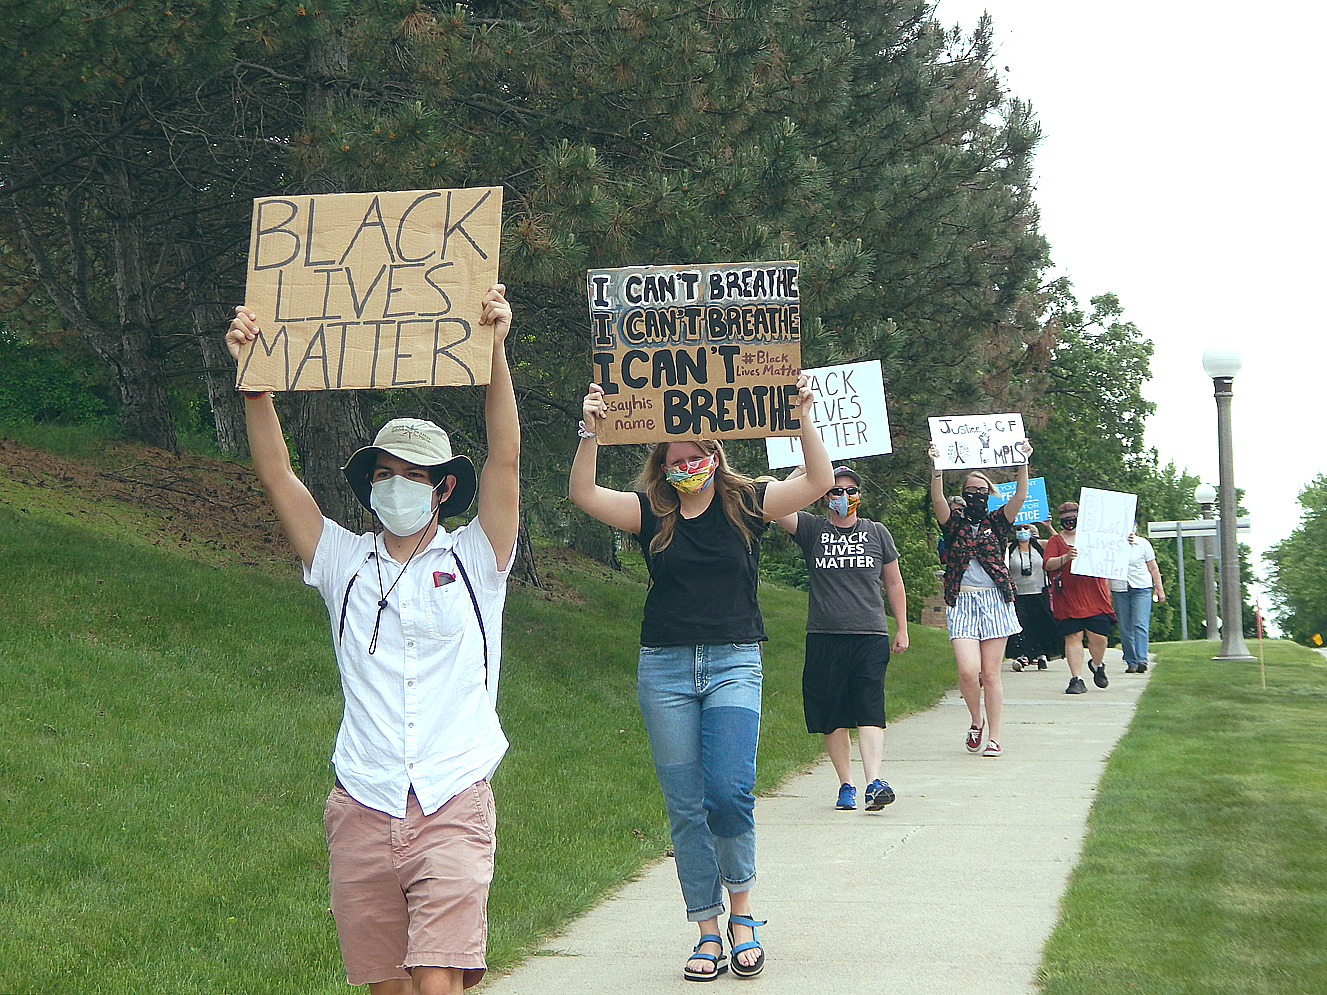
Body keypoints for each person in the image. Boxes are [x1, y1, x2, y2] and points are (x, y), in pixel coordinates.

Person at [225, 285, 519, 995]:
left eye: (413, 475)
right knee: (387, 985)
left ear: (442, 488)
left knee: (437, 978)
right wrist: (254, 384)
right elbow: (277, 474)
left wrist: (498, 349)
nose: (396, 487)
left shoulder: (475, 558)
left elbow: (506, 461)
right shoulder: (340, 560)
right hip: (363, 796)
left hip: (453, 791)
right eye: (384, 474)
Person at [569, 379, 833, 982]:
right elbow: (582, 492)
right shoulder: (649, 514)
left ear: (714, 453)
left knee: (729, 791)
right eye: (675, 458)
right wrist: (591, 430)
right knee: (686, 805)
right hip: (664, 667)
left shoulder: (747, 502)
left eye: (696, 454)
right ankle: (706, 929)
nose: (688, 464)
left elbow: (816, 484)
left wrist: (802, 419)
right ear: (661, 468)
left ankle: (744, 913)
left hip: (734, 660)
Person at [773, 465, 909, 813]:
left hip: (870, 634)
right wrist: (801, 471)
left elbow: (893, 581)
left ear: (859, 496)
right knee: (832, 715)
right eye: (836, 490)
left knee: (869, 707)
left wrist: (902, 627)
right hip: (824, 635)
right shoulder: (813, 529)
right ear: (824, 497)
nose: (843, 497)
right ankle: (845, 785)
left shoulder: (877, 533)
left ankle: (873, 782)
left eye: (850, 490)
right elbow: (772, 503)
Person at [929, 440, 1033, 759]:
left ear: (988, 495)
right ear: (963, 494)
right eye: (970, 490)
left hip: (994, 601)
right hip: (961, 601)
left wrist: (1023, 462)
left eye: (981, 491)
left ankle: (995, 736)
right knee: (967, 670)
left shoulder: (998, 522)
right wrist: (936, 468)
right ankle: (976, 720)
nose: (975, 495)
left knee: (990, 673)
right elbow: (936, 498)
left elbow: (1020, 496)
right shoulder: (953, 524)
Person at [1043, 501, 1115, 694]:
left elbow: (1115, 549)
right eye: (1065, 519)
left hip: (1095, 595)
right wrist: (1065, 558)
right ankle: (1076, 678)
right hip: (1068, 596)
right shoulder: (1055, 541)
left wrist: (1128, 540)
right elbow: (1048, 564)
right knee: (1073, 636)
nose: (1069, 522)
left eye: (1073, 518)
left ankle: (1097, 664)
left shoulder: (1095, 538)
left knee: (1098, 637)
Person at [1111, 522, 1165, 673]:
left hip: (1141, 587)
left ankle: (1142, 659)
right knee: (1125, 627)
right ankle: (1131, 660)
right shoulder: (1112, 544)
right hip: (1120, 588)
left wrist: (1159, 588)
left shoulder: (1142, 544)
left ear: (1136, 526)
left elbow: (1153, 567)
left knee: (1140, 624)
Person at [1005, 522, 1057, 671]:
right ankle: (1022, 655)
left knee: (1040, 624)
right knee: (1021, 625)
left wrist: (1049, 527)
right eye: (1018, 529)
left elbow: (1062, 543)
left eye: (1026, 528)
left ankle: (1041, 654)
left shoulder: (1040, 545)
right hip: (1018, 593)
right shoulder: (1009, 548)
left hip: (1039, 591)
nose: (1022, 531)